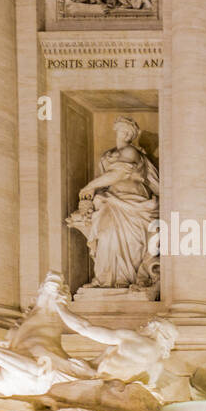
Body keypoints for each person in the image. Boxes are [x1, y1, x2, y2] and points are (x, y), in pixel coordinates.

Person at [67, 116, 160, 289]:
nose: (125, 134)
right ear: (116, 130)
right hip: (111, 201)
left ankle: (127, 280)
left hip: (133, 203)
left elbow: (119, 174)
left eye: (129, 132)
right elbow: (106, 180)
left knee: (132, 242)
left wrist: (89, 186)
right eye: (122, 130)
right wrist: (93, 197)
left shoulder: (131, 152)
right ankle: (105, 279)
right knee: (106, 234)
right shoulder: (107, 155)